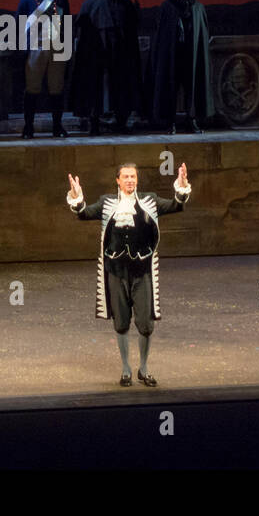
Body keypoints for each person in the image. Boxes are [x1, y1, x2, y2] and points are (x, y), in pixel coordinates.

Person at [66, 161, 191, 387]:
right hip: (116, 271)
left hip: (142, 271)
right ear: (118, 180)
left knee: (145, 323)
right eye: (126, 177)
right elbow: (84, 214)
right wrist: (77, 196)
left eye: (133, 176)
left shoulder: (150, 200)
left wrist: (181, 185)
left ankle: (143, 368)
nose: (130, 180)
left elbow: (176, 206)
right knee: (121, 322)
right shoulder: (107, 203)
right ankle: (126, 369)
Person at [71, 0, 142, 135]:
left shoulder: (124, 2)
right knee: (96, 88)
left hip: (120, 55)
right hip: (97, 56)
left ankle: (121, 121)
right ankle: (94, 122)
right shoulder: (90, 4)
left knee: (121, 87)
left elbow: (131, 29)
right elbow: (83, 33)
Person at [150, 0, 214, 134]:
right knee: (170, 87)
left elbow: (203, 33)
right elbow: (160, 35)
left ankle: (191, 120)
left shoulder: (198, 7)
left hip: (191, 55)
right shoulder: (166, 7)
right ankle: (170, 122)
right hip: (172, 55)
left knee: (192, 87)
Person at [16, 0, 72, 138]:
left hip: (57, 48)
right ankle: (28, 127)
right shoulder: (26, 0)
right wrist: (23, 51)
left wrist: (67, 49)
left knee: (57, 89)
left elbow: (67, 26)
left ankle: (57, 126)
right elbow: (19, 27)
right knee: (32, 89)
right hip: (35, 48)